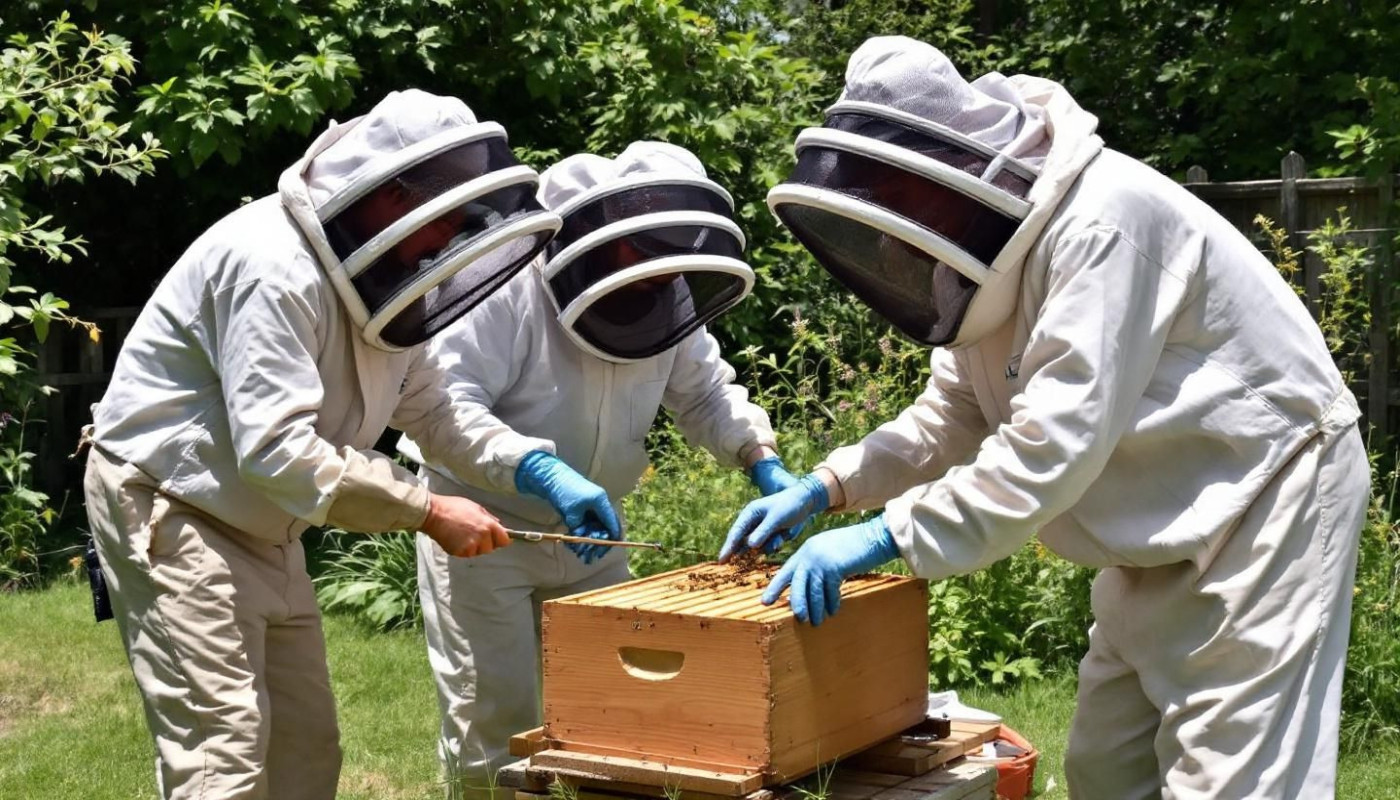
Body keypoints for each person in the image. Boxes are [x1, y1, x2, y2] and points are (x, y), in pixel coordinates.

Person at [721, 36, 1369, 799]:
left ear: (940, 176)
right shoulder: (977, 259)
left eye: (892, 203)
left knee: (1238, 782)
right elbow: (951, 415)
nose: (889, 235)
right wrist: (828, 487)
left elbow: (1050, 445)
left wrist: (888, 534)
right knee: (1107, 770)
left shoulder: (1102, 222)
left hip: (1267, 501)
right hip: (1154, 526)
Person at [82, 89, 562, 800]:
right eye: (446, 217)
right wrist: (428, 510)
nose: (449, 238)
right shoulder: (272, 266)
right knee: (225, 754)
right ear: (391, 196)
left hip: (265, 520)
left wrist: (530, 463)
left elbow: (429, 407)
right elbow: (277, 449)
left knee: (306, 748)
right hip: (172, 504)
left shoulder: (391, 275)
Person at [399, 141, 795, 799]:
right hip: (483, 526)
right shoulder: (508, 283)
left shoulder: (668, 294)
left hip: (595, 533)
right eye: (645, 254)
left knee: (611, 708)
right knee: (494, 712)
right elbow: (443, 406)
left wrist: (761, 458)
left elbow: (705, 394)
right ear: (601, 233)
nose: (657, 274)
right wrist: (537, 470)